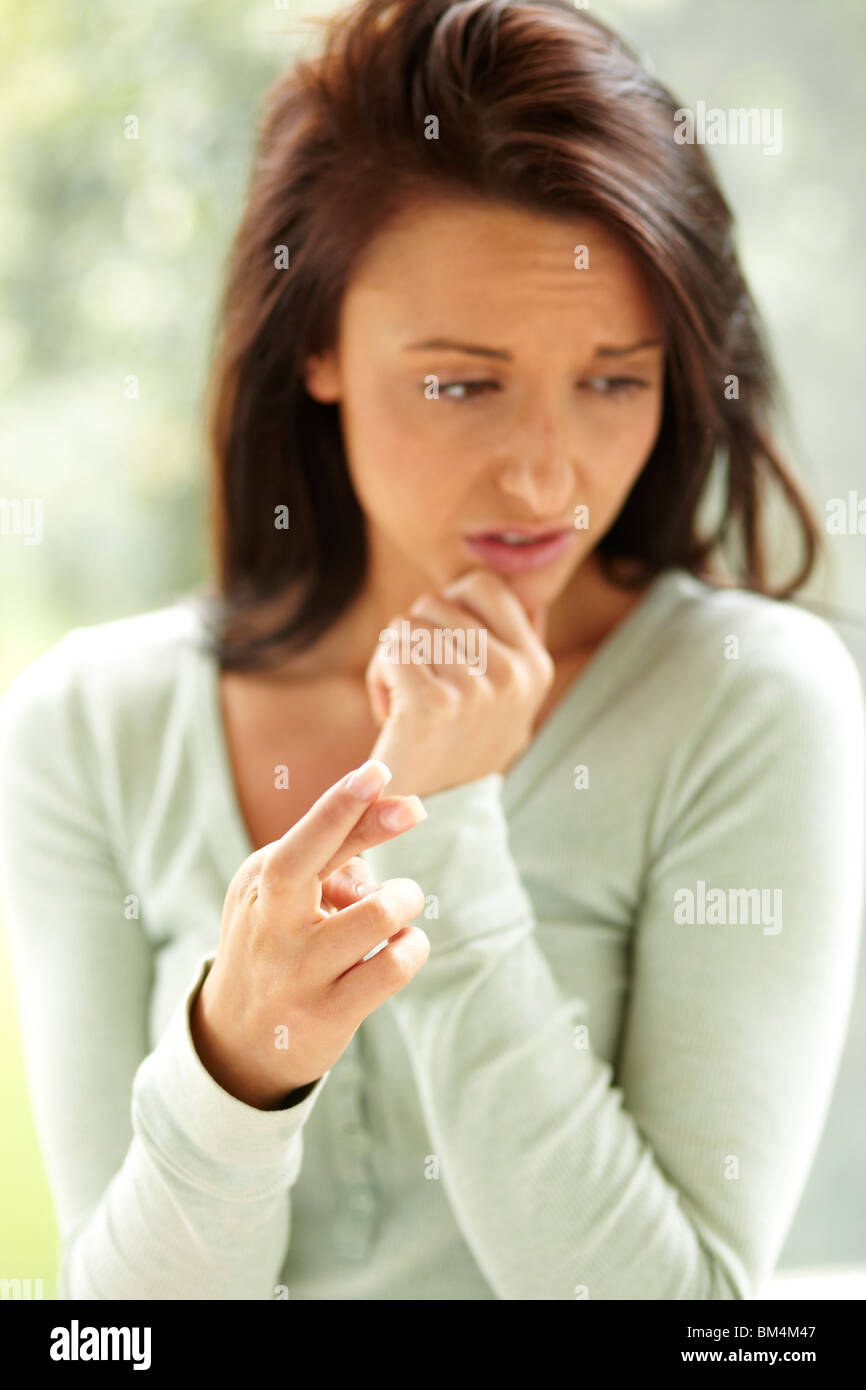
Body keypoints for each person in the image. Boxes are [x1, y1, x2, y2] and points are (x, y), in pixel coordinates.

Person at [0, 0, 863, 1301]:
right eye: (462, 383)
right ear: (320, 348)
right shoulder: (89, 723)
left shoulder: (748, 702)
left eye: (613, 381)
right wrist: (237, 1057)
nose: (543, 474)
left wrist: (452, 818)